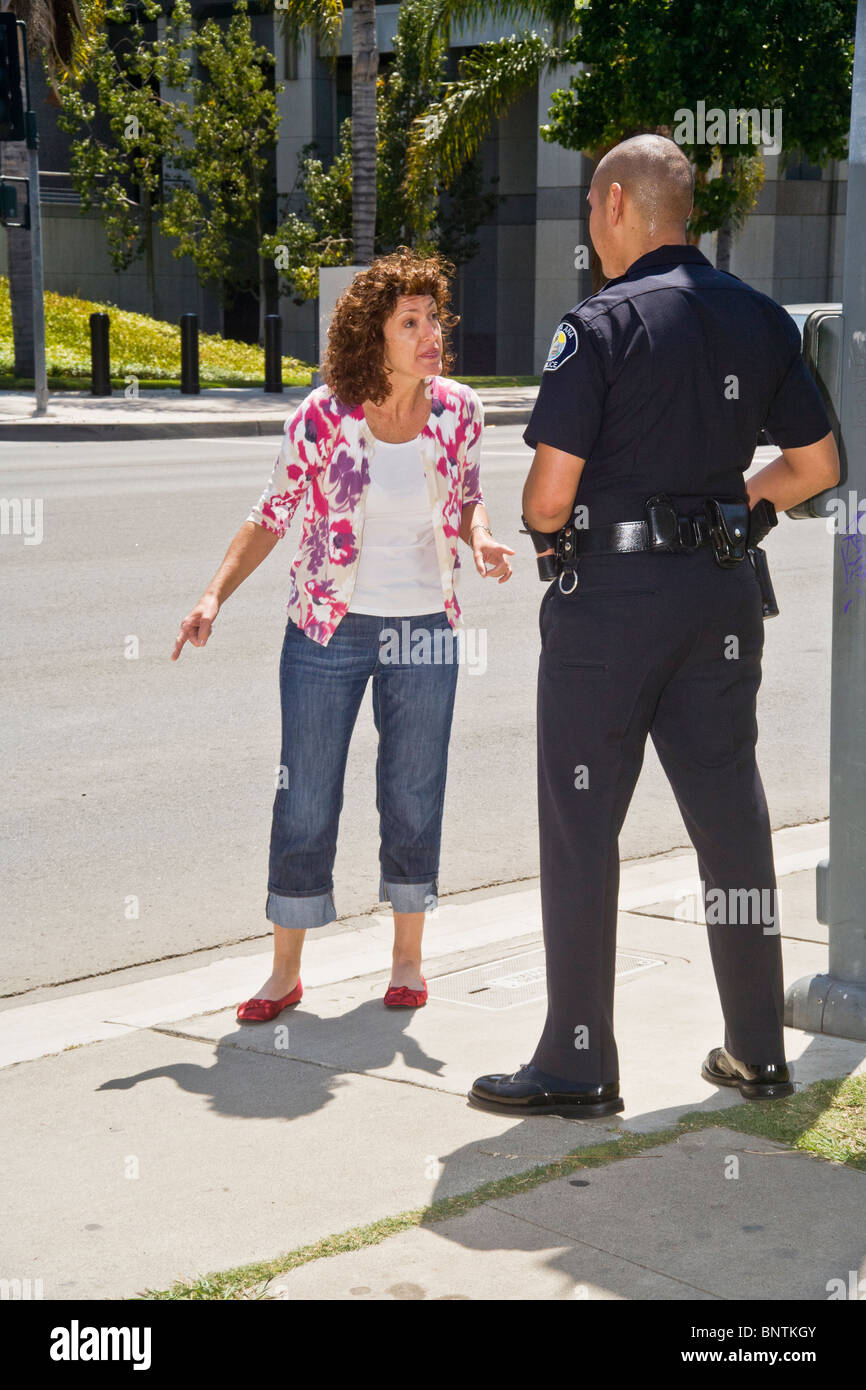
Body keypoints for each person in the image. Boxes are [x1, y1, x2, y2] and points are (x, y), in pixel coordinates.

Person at [469, 134, 839, 1118]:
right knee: (731, 822)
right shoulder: (758, 320)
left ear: (620, 206)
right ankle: (757, 1050)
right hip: (719, 598)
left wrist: (545, 534)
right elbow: (815, 467)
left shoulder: (598, 327)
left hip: (610, 609)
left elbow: (549, 495)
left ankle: (577, 1062)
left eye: (594, 212)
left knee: (581, 823)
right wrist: (732, 514)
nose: (591, 232)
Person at [171, 248, 513, 1020]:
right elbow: (271, 515)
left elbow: (466, 499)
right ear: (374, 334)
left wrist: (481, 537)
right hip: (328, 629)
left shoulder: (459, 410)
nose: (431, 335)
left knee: (414, 791)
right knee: (306, 794)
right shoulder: (324, 416)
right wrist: (212, 595)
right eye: (411, 322)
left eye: (435, 320)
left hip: (427, 628)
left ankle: (407, 960)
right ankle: (285, 972)